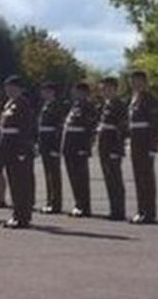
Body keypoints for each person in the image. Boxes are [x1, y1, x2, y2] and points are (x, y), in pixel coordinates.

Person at [0, 76, 35, 229]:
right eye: (7, 87)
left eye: (12, 87)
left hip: (18, 149)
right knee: (14, 183)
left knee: (21, 184)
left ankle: (23, 217)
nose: (9, 90)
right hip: (9, 148)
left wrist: (22, 149)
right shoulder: (9, 104)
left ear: (19, 89)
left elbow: (26, 129)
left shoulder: (22, 104)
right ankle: (17, 214)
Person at [128, 71, 158, 224]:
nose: (135, 84)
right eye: (133, 81)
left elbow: (154, 124)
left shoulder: (149, 99)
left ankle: (149, 212)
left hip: (145, 141)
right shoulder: (134, 99)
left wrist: (153, 146)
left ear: (145, 82)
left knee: (147, 178)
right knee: (138, 177)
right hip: (135, 141)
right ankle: (141, 210)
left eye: (138, 81)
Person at [62, 81, 97, 218]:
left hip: (79, 146)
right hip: (70, 147)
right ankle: (78, 204)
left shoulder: (88, 107)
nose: (74, 94)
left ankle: (84, 206)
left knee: (81, 178)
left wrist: (85, 147)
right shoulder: (74, 106)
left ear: (84, 93)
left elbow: (89, 129)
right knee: (73, 177)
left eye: (77, 91)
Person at [96, 78, 127, 219]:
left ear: (114, 89)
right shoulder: (105, 105)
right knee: (109, 179)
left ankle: (119, 211)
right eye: (102, 89)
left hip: (112, 148)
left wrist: (116, 150)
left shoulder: (118, 105)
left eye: (107, 89)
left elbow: (121, 129)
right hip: (104, 147)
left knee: (115, 179)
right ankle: (113, 209)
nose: (104, 92)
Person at [36, 82, 66, 214]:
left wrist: (56, 147)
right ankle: (50, 201)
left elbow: (59, 128)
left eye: (47, 91)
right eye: (44, 91)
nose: (44, 93)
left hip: (52, 143)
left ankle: (55, 203)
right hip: (45, 142)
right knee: (48, 173)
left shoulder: (56, 106)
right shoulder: (45, 106)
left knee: (54, 174)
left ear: (53, 92)